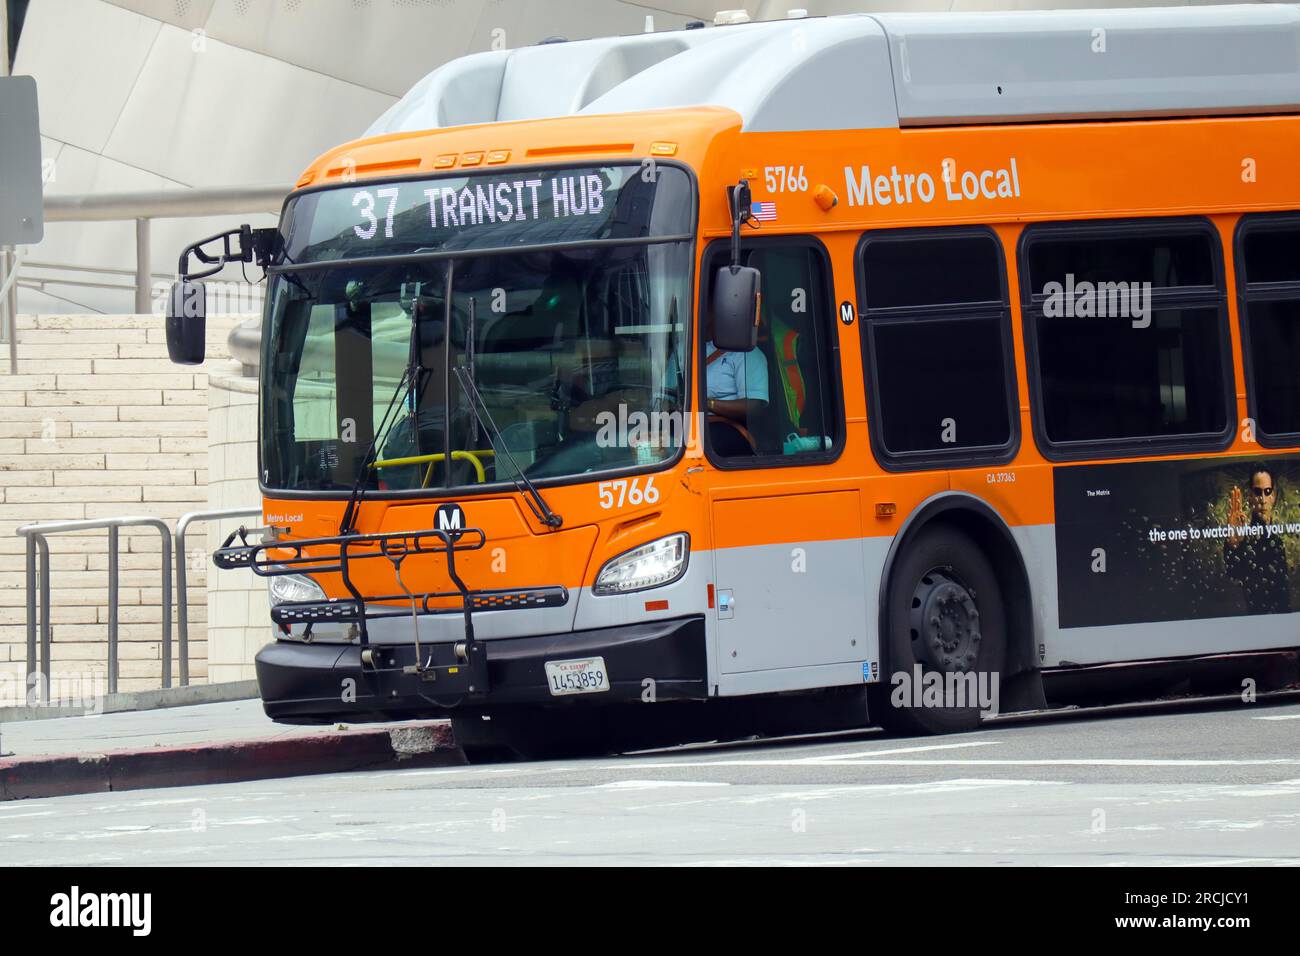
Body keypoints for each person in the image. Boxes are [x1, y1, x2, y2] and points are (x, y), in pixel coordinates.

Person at [1223, 466, 1291, 614]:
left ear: (1273, 496)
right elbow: (1234, 575)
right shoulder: (1245, 539)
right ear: (1250, 496)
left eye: (1267, 492)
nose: (1262, 499)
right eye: (1257, 492)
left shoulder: (1280, 538)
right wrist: (1234, 545)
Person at [701, 313, 769, 457]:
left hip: (723, 428)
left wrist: (706, 404)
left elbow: (754, 406)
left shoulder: (746, 352)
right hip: (682, 422)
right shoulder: (685, 349)